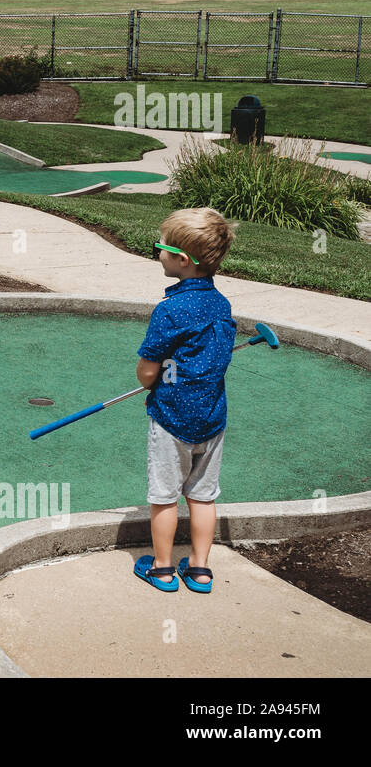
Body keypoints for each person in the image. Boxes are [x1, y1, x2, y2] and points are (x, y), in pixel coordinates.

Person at [132, 207, 238, 593]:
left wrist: (152, 380)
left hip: (171, 418)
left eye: (161, 247)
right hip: (212, 419)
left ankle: (161, 568)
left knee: (164, 498)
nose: (157, 252)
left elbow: (147, 371)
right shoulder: (221, 305)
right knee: (203, 496)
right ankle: (199, 568)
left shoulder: (170, 310)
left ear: (182, 260)